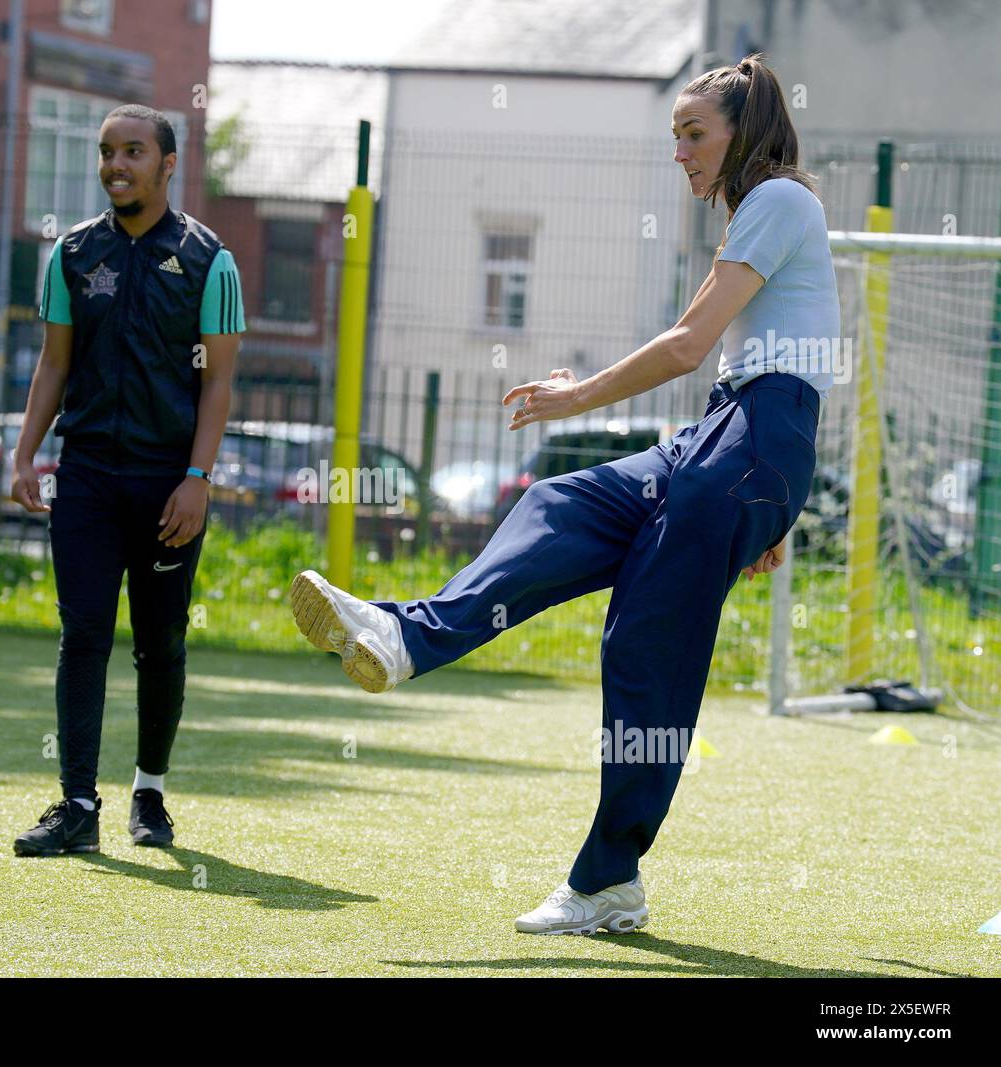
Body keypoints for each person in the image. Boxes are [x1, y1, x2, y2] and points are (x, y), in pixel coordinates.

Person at [290, 55, 837, 934]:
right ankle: (403, 637)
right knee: (560, 504)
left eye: (693, 134)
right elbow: (771, 356)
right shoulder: (760, 211)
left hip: (754, 439)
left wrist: (577, 397)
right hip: (735, 438)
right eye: (675, 137)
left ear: (745, 132)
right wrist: (764, 501)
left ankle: (608, 879)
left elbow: (692, 343)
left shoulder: (778, 198)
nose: (680, 153)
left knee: (644, 642)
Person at [12, 104, 245, 856]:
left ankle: (151, 792)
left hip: (168, 485)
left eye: (133, 151)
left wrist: (198, 477)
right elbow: (54, 364)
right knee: (82, 634)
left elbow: (217, 383)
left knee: (160, 641)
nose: (116, 164)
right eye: (107, 152)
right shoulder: (72, 254)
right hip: (85, 478)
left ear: (167, 164)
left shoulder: (211, 260)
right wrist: (23, 456)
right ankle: (77, 804)